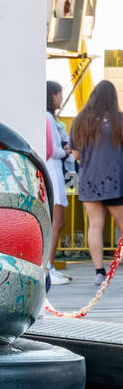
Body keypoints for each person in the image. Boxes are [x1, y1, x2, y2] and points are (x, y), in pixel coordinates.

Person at [70, 80, 123, 286]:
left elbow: (75, 154)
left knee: (95, 225)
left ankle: (99, 272)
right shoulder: (119, 120)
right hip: (116, 180)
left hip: (90, 179)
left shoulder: (81, 120)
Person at [45, 82, 71, 286]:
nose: (61, 99)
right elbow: (51, 149)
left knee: (56, 221)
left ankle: (50, 265)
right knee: (57, 221)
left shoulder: (49, 118)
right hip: (53, 171)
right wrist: (67, 152)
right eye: (59, 95)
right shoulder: (47, 118)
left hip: (54, 171)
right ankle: (49, 266)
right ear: (51, 95)